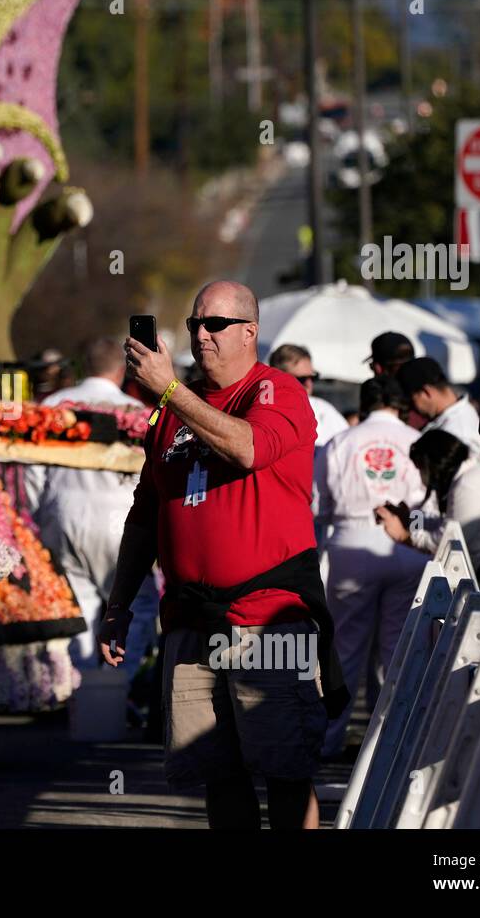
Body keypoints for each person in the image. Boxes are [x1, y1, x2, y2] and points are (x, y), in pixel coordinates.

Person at [98, 279, 346, 831]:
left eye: (215, 325)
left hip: (267, 617)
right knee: (218, 772)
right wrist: (119, 604)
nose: (201, 336)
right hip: (190, 618)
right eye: (194, 325)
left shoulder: (276, 390)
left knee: (284, 767)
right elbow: (146, 513)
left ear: (250, 332)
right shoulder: (170, 412)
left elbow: (247, 447)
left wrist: (171, 392)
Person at [27, 337, 160, 674]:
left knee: (80, 609)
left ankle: (84, 686)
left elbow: (32, 469)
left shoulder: (54, 406)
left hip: (64, 514)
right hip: (120, 519)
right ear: (120, 371)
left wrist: (40, 516)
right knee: (138, 605)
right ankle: (121, 683)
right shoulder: (137, 412)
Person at [315, 375, 429, 758]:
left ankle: (329, 741)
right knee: (397, 649)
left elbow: (320, 505)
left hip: (352, 541)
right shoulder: (416, 441)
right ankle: (391, 745)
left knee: (346, 649)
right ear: (399, 404)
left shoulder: (339, 443)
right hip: (407, 542)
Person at [375, 430, 480, 652]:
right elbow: (447, 523)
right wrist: (409, 520)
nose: (423, 480)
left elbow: (447, 540)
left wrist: (405, 535)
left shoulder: (468, 484)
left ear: (433, 466)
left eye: (421, 470)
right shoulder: (472, 476)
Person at [396, 356, 480, 462]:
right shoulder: (460, 415)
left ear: (426, 392)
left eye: (411, 400)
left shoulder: (457, 431)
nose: (410, 407)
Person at [269, 344, 349, 447]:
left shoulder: (324, 410)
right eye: (301, 379)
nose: (308, 384)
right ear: (279, 379)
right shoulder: (262, 411)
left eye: (312, 377)